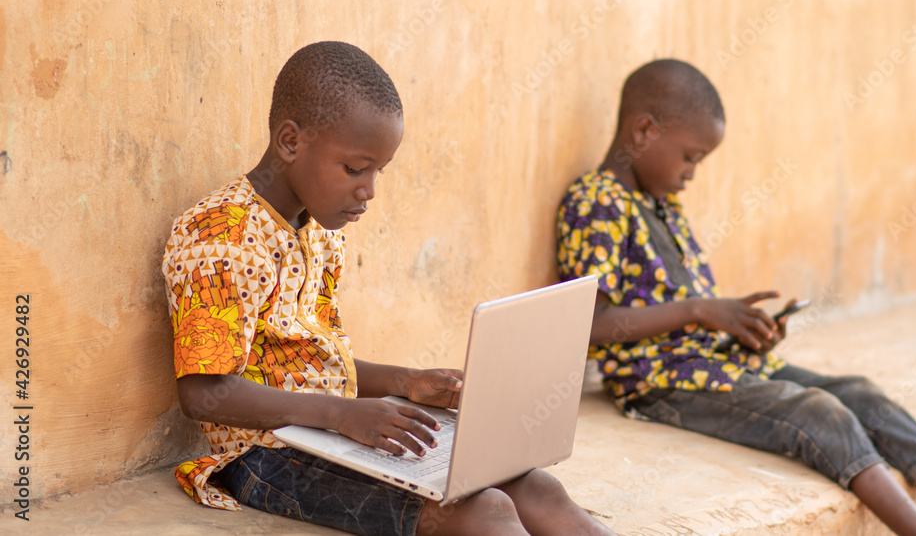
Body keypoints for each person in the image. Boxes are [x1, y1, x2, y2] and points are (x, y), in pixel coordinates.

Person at [164, 41, 614, 536]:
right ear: (290, 143)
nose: (369, 191)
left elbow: (312, 363)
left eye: (379, 171)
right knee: (487, 511)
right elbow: (202, 392)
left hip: (330, 433)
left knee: (538, 489)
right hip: (265, 457)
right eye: (355, 169)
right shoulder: (220, 237)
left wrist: (406, 382)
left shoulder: (318, 230)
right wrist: (341, 413)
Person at [555, 59, 916, 536]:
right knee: (819, 412)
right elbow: (588, 326)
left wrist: (742, 333)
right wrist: (703, 310)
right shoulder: (596, 202)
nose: (691, 172)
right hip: (661, 384)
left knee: (863, 395)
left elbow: (679, 305)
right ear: (643, 130)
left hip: (716, 364)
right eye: (691, 156)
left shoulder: (660, 204)